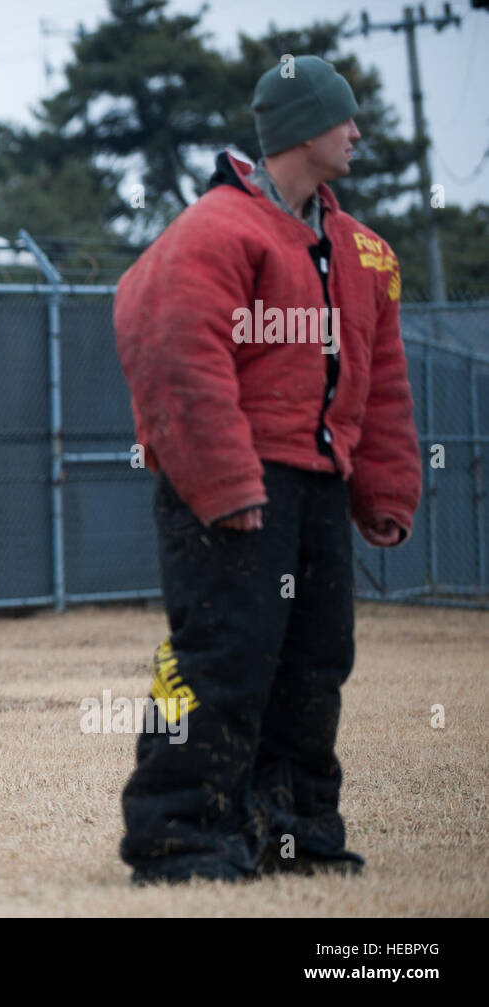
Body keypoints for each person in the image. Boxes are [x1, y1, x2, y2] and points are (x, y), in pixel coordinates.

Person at [113, 56, 422, 882]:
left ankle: (293, 829)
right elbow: (175, 352)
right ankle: (177, 833)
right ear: (302, 131)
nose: (357, 132)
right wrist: (224, 480)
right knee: (219, 653)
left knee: (317, 657)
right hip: (232, 481)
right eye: (343, 119)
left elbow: (382, 378)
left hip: (316, 482)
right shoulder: (217, 231)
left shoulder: (364, 252)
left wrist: (385, 486)